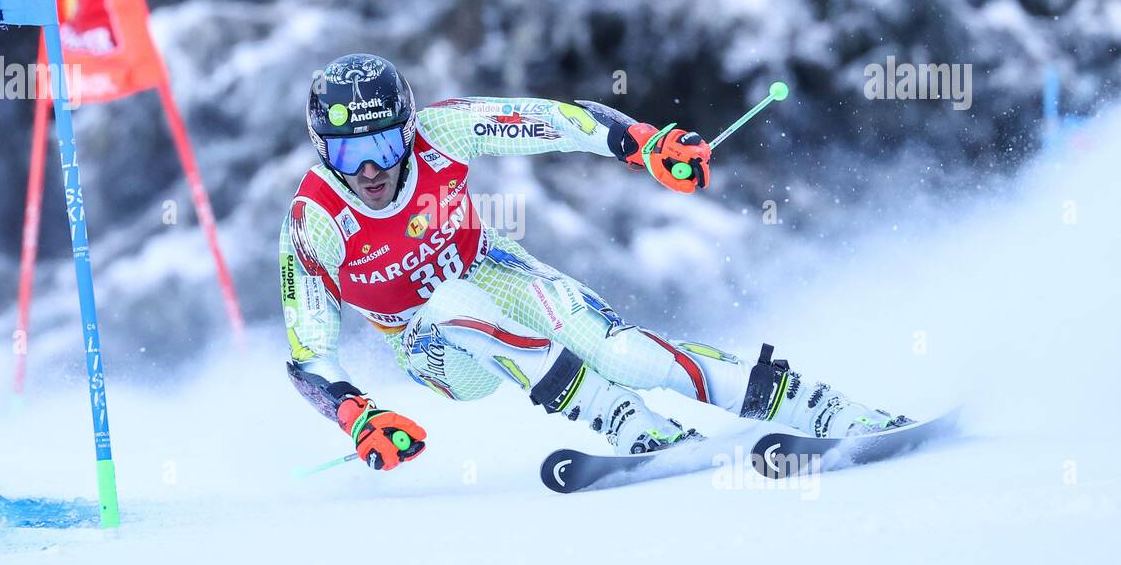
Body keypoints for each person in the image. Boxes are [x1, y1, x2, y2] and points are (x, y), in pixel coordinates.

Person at [279, 54, 910, 471]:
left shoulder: (441, 133)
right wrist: (358, 417)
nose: (370, 169)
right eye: (347, 150)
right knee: (452, 307)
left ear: (406, 128)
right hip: (429, 345)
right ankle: (621, 420)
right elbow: (310, 355)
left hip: (493, 267)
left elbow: (552, 122)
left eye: (384, 143)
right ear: (320, 148)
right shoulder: (316, 222)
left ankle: (815, 406)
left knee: (623, 353)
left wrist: (644, 144)